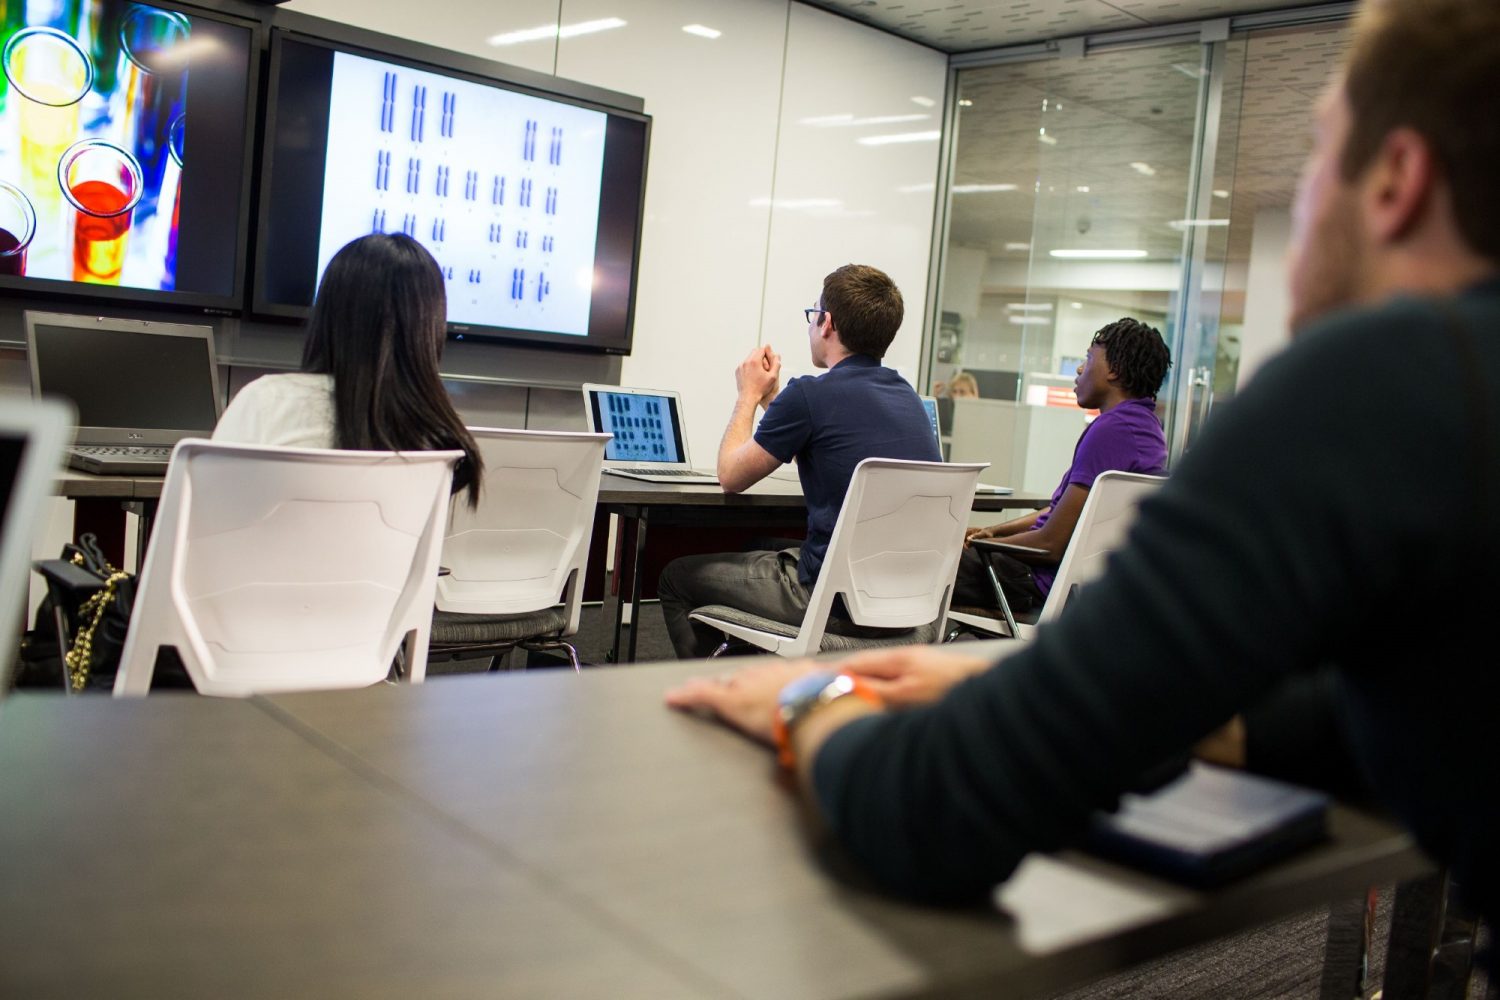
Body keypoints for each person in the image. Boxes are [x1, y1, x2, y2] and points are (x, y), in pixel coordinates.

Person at [665, 0, 1500, 927]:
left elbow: (936, 810)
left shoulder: (1384, 383)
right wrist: (1009, 678)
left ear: (1396, 180)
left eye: (1315, 156)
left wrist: (811, 696)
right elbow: (1343, 722)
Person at [657, 264, 941, 658]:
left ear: (827, 323)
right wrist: (775, 401)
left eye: (814, 315)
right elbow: (817, 441)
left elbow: (730, 476)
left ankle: (717, 698)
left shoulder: (810, 394)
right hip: (903, 604)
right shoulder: (907, 397)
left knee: (676, 577)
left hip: (831, 601)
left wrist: (748, 396)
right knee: (756, 545)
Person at [213, 233, 483, 504]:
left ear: (328, 313)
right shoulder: (438, 435)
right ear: (429, 328)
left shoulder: (266, 402)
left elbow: (200, 516)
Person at [951, 318, 1170, 614]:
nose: (1080, 369)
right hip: (1071, 585)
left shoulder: (1110, 430)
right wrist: (996, 533)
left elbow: (1050, 544)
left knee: (925, 559)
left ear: (1114, 370)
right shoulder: (1146, 429)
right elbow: (1061, 513)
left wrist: (983, 547)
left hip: (1031, 580)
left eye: (1089, 358)